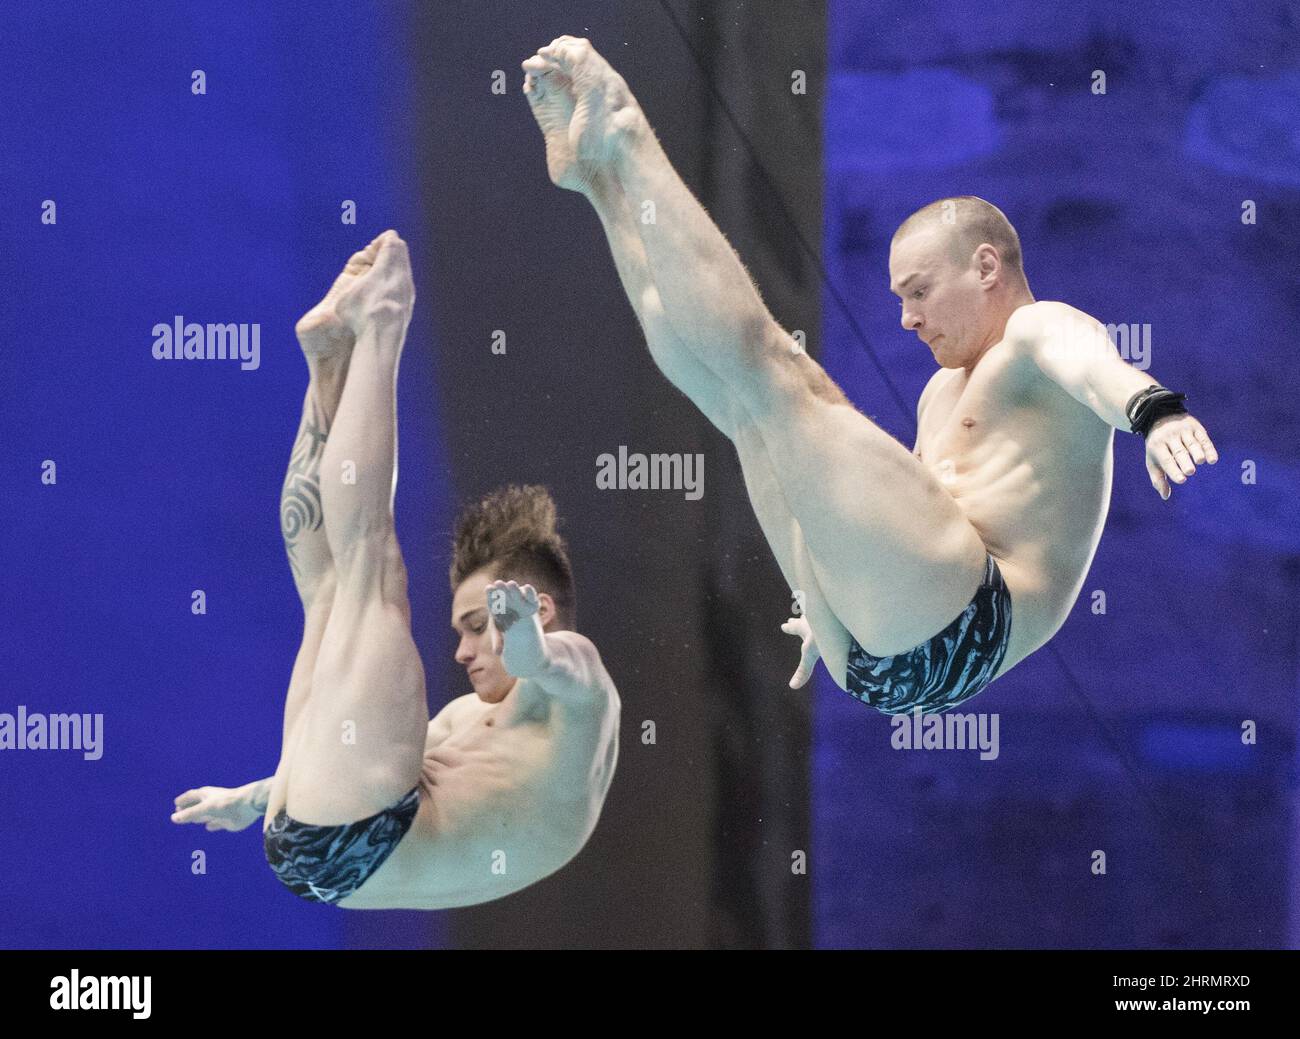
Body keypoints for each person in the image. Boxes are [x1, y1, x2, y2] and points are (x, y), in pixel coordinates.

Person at [521, 36, 1217, 715]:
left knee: (779, 372)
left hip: (973, 621)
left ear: (985, 266)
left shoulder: (1037, 331)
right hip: (866, 652)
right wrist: (844, 587)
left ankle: (625, 129)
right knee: (740, 402)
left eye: (919, 292)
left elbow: (1095, 369)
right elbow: (894, 528)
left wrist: (1157, 413)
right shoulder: (940, 392)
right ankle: (600, 182)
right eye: (899, 300)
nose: (908, 319)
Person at [171, 232, 619, 907]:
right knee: (329, 590)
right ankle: (328, 364)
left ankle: (383, 317)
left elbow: (543, 659)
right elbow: (346, 748)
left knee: (370, 573)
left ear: (541, 608)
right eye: (466, 629)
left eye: (479, 625)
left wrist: (521, 631)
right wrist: (248, 800)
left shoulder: (585, 696)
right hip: (319, 838)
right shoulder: (469, 718)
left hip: (358, 835)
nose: (462, 650)